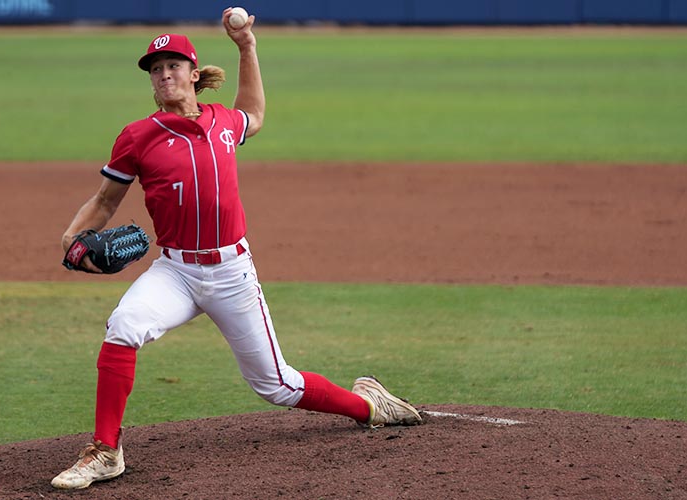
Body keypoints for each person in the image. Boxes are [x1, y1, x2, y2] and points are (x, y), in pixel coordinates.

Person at [51, 9, 423, 490]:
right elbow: (104, 200)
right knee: (123, 327)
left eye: (172, 65)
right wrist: (71, 240)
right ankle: (105, 451)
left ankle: (370, 405)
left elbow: (256, 114)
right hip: (176, 273)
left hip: (232, 273)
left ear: (192, 71)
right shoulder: (137, 136)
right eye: (155, 69)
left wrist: (247, 46)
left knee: (277, 385)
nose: (164, 74)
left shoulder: (224, 122)